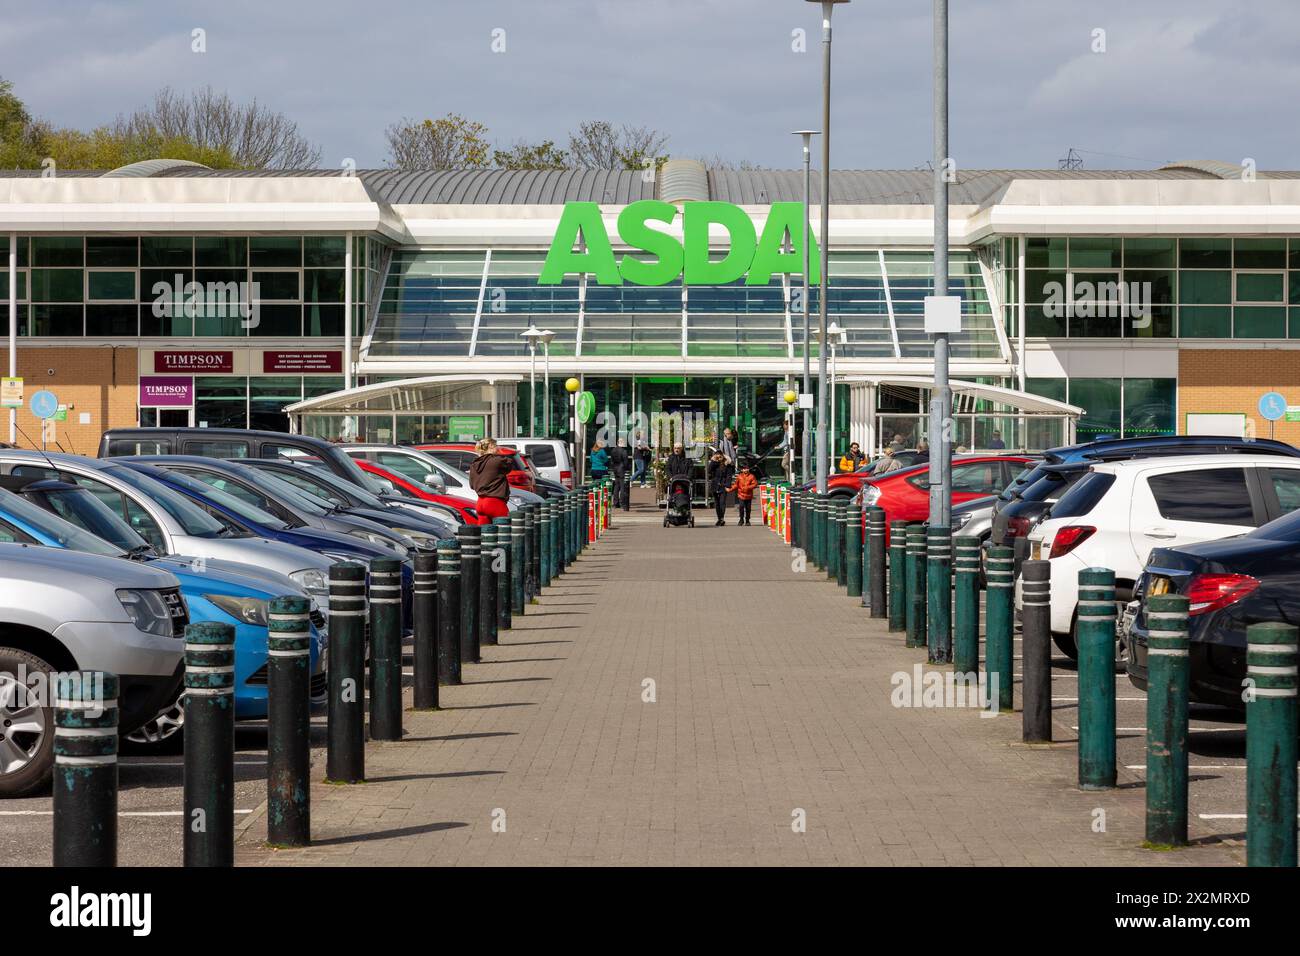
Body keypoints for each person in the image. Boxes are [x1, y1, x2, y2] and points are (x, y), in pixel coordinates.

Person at [468, 437, 512, 524]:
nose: (498, 448)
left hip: (480, 503)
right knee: (505, 532)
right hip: (495, 502)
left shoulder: (474, 464)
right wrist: (500, 453)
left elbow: (472, 485)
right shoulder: (497, 461)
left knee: (485, 533)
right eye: (496, 446)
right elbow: (509, 464)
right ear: (491, 446)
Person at [706, 451, 735, 526]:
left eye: (720, 456)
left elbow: (729, 476)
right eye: (717, 456)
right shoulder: (714, 464)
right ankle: (719, 518)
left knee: (722, 502)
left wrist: (728, 485)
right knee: (717, 503)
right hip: (715, 485)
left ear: (723, 456)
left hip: (723, 485)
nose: (719, 458)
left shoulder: (727, 464)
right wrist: (713, 461)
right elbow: (709, 471)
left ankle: (721, 518)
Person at [607, 439, 630, 508]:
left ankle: (615, 502)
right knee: (622, 486)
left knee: (616, 486)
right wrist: (627, 468)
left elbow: (611, 460)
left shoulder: (613, 450)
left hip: (615, 469)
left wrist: (613, 467)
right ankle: (622, 502)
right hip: (621, 469)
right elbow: (626, 462)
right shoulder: (624, 451)